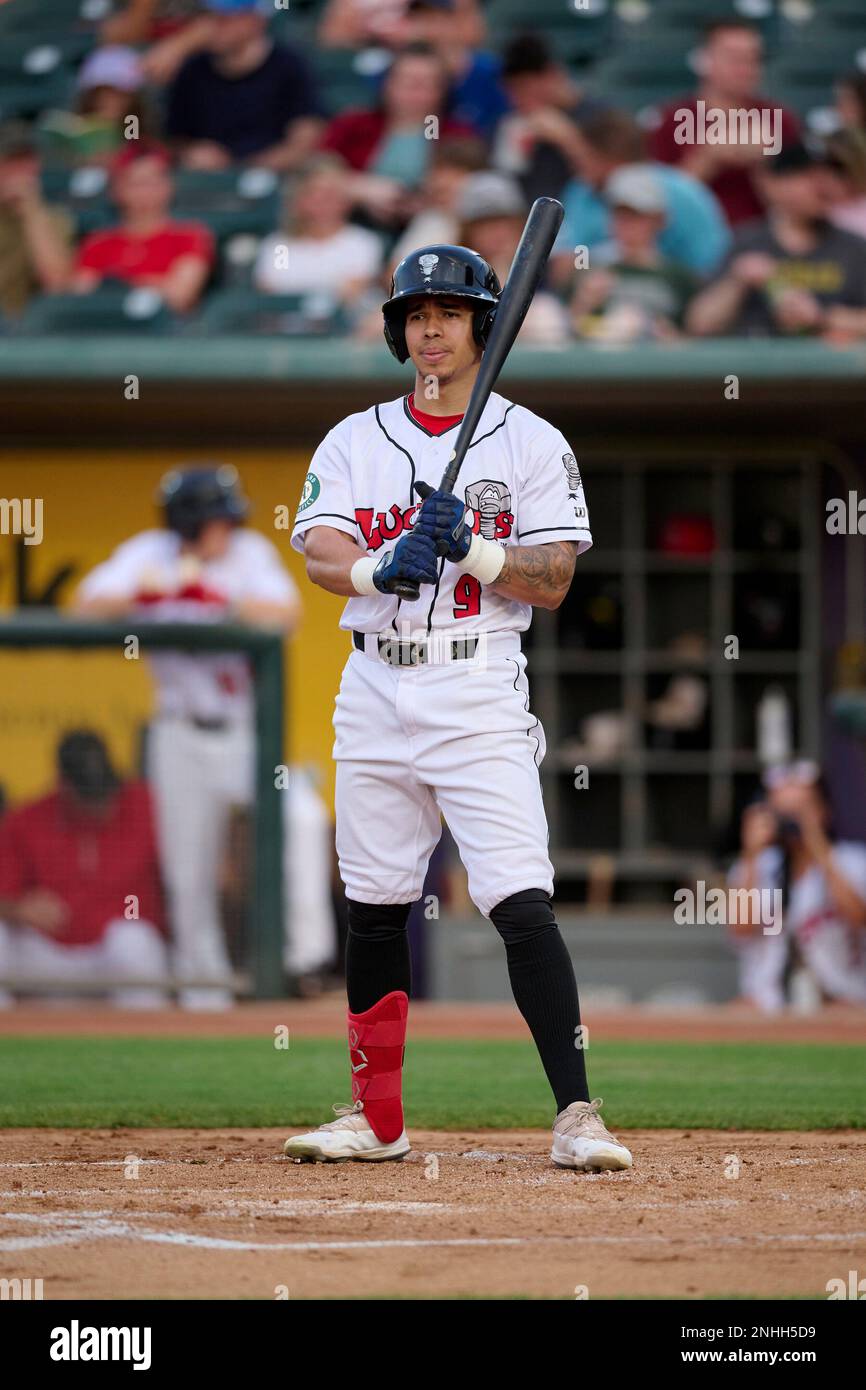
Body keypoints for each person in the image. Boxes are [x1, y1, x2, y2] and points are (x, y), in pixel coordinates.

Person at [283, 243, 632, 1172]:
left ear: (485, 324)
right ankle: (377, 1121)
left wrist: (476, 553)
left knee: (519, 900)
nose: (430, 328)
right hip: (373, 683)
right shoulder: (356, 437)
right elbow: (318, 549)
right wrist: (372, 566)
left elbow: (554, 578)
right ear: (398, 329)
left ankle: (577, 1114)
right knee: (374, 905)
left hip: (476, 683)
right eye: (415, 313)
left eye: (448, 312)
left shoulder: (529, 439)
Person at [73, 465, 334, 1007]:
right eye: (218, 519)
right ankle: (204, 1004)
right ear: (190, 523)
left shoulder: (249, 554)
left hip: (243, 736)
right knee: (188, 877)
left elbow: (285, 613)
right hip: (179, 736)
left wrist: (215, 598)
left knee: (302, 817)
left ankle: (303, 959)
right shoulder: (150, 553)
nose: (227, 528)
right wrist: (158, 592)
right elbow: (84, 606)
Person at [0, 732, 169, 1009]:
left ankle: (146, 1039)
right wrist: (19, 908)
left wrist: (132, 909)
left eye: (104, 792)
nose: (100, 804)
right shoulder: (26, 820)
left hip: (108, 955)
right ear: (64, 785)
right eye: (89, 795)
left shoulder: (145, 806)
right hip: (47, 955)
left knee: (133, 939)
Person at [686, 141, 866, 341]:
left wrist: (821, 317)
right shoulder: (747, 242)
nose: (823, 186)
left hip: (830, 368)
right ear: (771, 183)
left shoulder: (854, 248)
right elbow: (698, 324)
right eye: (808, 176)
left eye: (829, 176)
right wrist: (739, 280)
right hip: (755, 367)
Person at [728, 764, 866, 1010]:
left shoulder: (851, 861)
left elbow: (858, 916)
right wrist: (750, 854)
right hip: (766, 1002)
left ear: (824, 810)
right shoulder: (755, 867)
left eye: (802, 810)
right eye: (784, 812)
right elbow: (740, 930)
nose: (792, 821)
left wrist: (817, 844)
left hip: (842, 998)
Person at [548, 111, 730, 288]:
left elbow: (710, 268)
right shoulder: (580, 191)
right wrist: (591, 265)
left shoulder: (683, 194)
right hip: (597, 297)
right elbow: (570, 263)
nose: (576, 167)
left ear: (611, 157)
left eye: (583, 159)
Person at [649, 19, 800, 227]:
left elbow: (800, 204)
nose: (745, 69)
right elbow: (655, 202)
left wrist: (764, 165)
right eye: (734, 58)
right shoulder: (671, 120)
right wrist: (708, 159)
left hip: (763, 239)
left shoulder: (779, 120)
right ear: (705, 60)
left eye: (753, 59)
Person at [319, 43, 475, 228]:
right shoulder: (354, 124)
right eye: (407, 81)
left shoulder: (457, 134)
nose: (414, 92)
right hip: (351, 222)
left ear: (442, 90)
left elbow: (470, 189)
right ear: (387, 84)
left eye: (425, 84)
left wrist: (424, 203)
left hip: (428, 228)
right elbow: (313, 172)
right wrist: (361, 188)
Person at [165, 0, 323, 171]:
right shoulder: (192, 69)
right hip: (211, 179)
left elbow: (305, 138)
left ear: (255, 21)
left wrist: (248, 167)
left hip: (272, 177)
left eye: (224, 19)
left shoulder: (289, 65)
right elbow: (176, 139)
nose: (213, 27)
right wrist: (191, 152)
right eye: (209, 18)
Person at [70, 144, 215, 313]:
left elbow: (179, 296)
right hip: (105, 329)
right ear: (117, 189)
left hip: (166, 333)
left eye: (153, 182)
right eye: (136, 183)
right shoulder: (98, 241)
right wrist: (154, 283)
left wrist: (112, 285)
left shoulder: (190, 235)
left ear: (169, 186)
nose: (145, 192)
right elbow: (79, 295)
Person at [570, 165, 698, 343]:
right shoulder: (590, 267)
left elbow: (695, 339)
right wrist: (583, 303)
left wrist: (670, 337)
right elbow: (562, 329)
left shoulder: (678, 276)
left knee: (629, 319)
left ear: (660, 220)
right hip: (596, 361)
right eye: (620, 216)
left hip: (655, 364)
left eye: (636, 217)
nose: (626, 226)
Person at [492, 32, 609, 206]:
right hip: (526, 224)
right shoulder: (512, 122)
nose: (516, 99)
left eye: (523, 88)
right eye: (511, 91)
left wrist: (568, 139)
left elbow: (613, 185)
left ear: (552, 75)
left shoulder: (600, 117)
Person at [253, 154, 383, 309]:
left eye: (330, 194)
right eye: (312, 193)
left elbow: (352, 292)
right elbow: (272, 291)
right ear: (296, 200)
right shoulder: (280, 246)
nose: (322, 201)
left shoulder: (362, 242)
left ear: (346, 200)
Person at [455, 171, 570, 344]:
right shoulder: (453, 272)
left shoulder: (542, 265)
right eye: (487, 224)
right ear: (468, 231)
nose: (498, 234)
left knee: (545, 311)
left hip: (532, 364)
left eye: (504, 222)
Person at [0, 123, 74, 320]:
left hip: (23, 334)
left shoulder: (54, 219)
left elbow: (58, 284)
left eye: (27, 160)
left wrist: (32, 212)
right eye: (12, 161)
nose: (21, 171)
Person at [318, 0, 484, 50]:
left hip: (434, 64)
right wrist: (370, 33)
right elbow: (331, 38)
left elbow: (473, 36)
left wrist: (416, 34)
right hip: (368, 60)